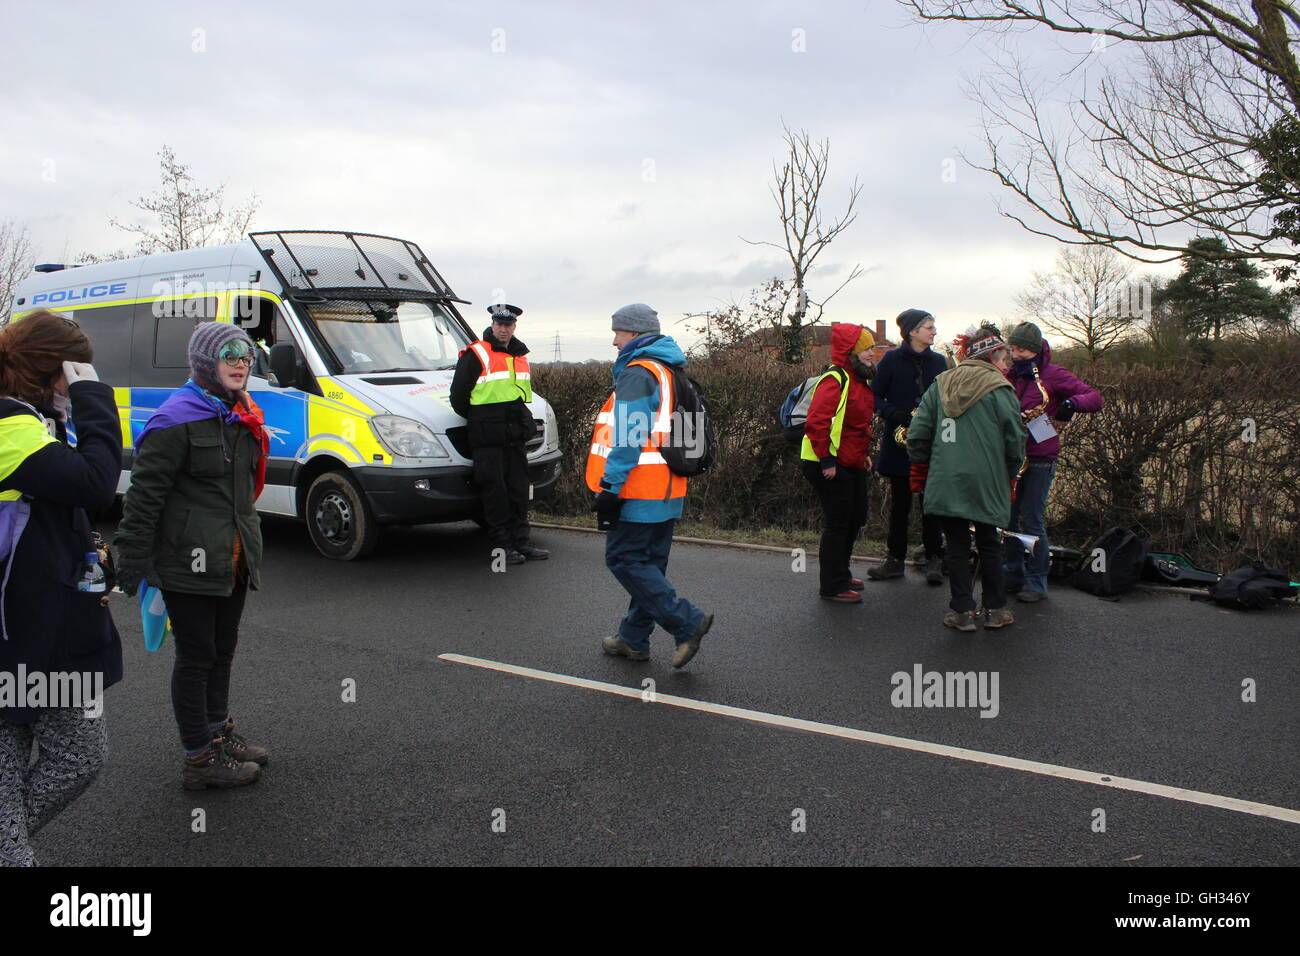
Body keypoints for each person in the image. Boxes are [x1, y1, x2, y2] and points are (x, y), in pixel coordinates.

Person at [115, 322, 271, 790]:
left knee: (223, 650)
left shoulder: (241, 413)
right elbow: (144, 496)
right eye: (230, 354)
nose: (242, 363)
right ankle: (198, 760)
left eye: (247, 355)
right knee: (197, 656)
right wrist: (134, 557)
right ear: (207, 362)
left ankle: (218, 733)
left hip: (235, 557)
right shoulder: (175, 418)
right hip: (189, 560)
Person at [0, 310, 122, 866]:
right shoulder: (6, 426)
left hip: (46, 635)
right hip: (12, 643)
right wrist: (95, 396)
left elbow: (55, 506)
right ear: (55, 370)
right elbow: (96, 481)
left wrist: (89, 552)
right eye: (76, 371)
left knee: (81, 757)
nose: (80, 383)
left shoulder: (31, 419)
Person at [587, 304, 712, 668]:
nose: (614, 341)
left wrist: (610, 487)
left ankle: (687, 622)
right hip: (669, 489)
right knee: (649, 567)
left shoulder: (639, 372)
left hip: (637, 490)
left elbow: (628, 436)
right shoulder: (671, 370)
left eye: (619, 333)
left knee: (624, 560)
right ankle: (632, 639)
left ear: (636, 335)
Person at [906, 324, 1026, 631]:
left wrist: (924, 464)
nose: (1006, 366)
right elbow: (1015, 440)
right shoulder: (1001, 389)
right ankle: (996, 610)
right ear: (991, 357)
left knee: (957, 545)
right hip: (988, 479)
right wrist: (1009, 473)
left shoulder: (940, 383)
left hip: (947, 478)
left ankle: (961, 613)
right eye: (1003, 359)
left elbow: (918, 435)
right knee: (988, 542)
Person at [1002, 322, 1103, 602]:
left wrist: (1070, 406)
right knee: (1008, 520)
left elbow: (1094, 397)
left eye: (1021, 350)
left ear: (1034, 349)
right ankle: (1012, 572)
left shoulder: (1052, 375)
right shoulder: (1010, 376)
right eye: (1012, 349)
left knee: (1032, 520)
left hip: (1040, 456)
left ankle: (1036, 581)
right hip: (1012, 456)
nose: (1015, 355)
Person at [450, 303, 548, 565]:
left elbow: (517, 397)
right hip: (487, 436)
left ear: (514, 327)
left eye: (508, 325)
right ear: (493, 325)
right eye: (500, 324)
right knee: (496, 494)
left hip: (514, 435)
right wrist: (483, 421)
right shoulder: (476, 354)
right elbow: (458, 398)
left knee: (517, 491)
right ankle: (502, 547)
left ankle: (522, 543)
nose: (504, 329)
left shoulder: (519, 355)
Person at [870, 308, 949, 584]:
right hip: (898, 441)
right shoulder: (891, 360)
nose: (934, 331)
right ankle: (894, 560)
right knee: (900, 504)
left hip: (931, 443)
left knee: (932, 504)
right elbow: (875, 396)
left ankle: (934, 559)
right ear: (913, 331)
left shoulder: (940, 362)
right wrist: (891, 412)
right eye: (929, 326)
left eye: (933, 326)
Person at [801, 323, 877, 603]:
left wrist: (862, 454)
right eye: (867, 348)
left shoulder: (858, 379)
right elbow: (817, 422)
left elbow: (853, 426)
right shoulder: (836, 379)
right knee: (838, 523)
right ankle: (832, 585)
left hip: (850, 461)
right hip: (827, 463)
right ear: (852, 351)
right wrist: (826, 460)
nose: (873, 352)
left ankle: (842, 573)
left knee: (856, 517)